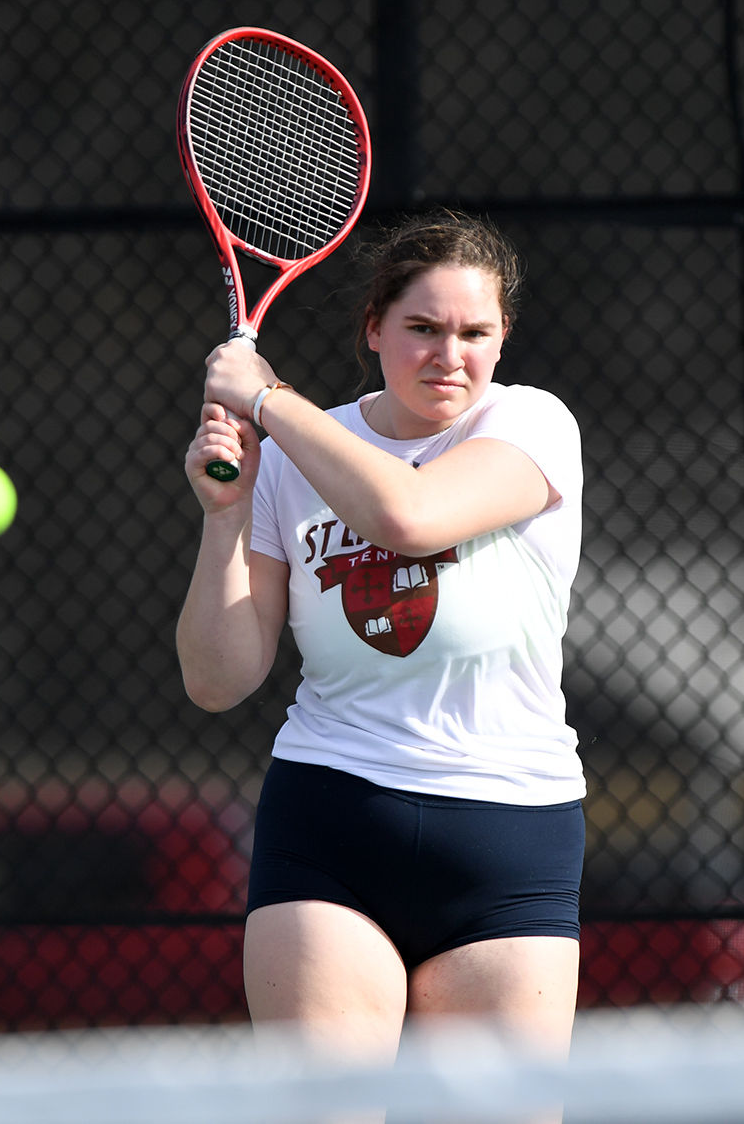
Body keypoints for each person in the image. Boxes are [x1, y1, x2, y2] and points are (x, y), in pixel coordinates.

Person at [175, 211, 586, 1067]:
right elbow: (220, 678)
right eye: (423, 328)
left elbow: (411, 516)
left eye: (476, 332)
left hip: (509, 839)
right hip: (331, 820)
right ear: (373, 328)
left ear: (504, 340)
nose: (450, 355)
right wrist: (225, 518)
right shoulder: (292, 455)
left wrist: (264, 395)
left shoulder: (534, 425)